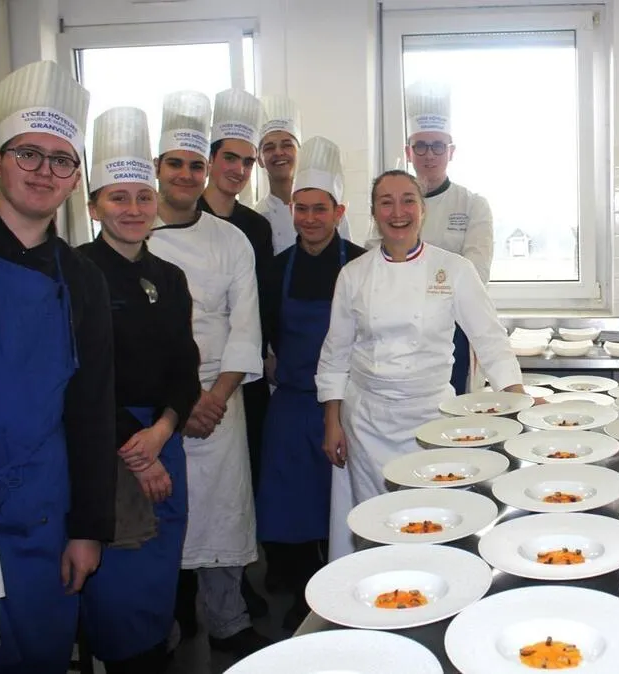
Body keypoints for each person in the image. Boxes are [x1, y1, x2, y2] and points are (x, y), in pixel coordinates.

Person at [0, 60, 117, 673]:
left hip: (42, 508)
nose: (44, 171)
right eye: (28, 154)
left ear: (74, 179)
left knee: (37, 653)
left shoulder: (83, 279)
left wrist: (87, 528)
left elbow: (92, 409)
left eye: (61, 160)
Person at [317, 169, 523, 559]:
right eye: (386, 202)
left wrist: (519, 401)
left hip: (432, 421)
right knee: (376, 522)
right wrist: (332, 421)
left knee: (431, 519)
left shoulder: (454, 270)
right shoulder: (353, 275)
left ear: (422, 210)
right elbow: (335, 353)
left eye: (408, 201)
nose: (398, 212)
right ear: (374, 213)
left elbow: (490, 340)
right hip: (368, 423)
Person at [77, 106, 201, 674]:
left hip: (162, 434)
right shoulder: (75, 272)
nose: (133, 209)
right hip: (105, 442)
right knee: (120, 565)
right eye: (118, 198)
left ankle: (153, 649)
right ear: (93, 206)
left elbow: (185, 364)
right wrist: (136, 447)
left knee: (162, 553)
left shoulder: (169, 278)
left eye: (142, 197)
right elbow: (82, 375)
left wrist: (163, 430)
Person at [147, 90, 270, 657]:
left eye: (195, 165)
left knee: (223, 513)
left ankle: (227, 622)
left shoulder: (232, 240)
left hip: (222, 396)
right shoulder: (134, 230)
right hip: (156, 404)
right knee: (158, 517)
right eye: (175, 163)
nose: (186, 174)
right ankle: (160, 628)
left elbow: (246, 326)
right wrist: (179, 401)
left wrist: (213, 396)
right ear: (157, 167)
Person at [257, 136, 365, 629]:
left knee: (339, 506)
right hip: (292, 404)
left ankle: (343, 592)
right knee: (292, 508)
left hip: (345, 405)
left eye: (320, 209)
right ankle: (305, 604)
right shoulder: (275, 270)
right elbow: (264, 333)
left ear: (338, 211)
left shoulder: (360, 266)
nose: (310, 218)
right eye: (301, 209)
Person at [196, 88, 273, 618]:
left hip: (243, 371)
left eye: (247, 161)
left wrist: (265, 352)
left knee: (239, 480)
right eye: (231, 158)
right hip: (187, 378)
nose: (239, 170)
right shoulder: (179, 215)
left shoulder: (256, 226)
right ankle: (187, 602)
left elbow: (257, 302)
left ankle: (236, 583)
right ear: (210, 160)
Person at [366, 80, 494, 394]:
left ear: (451, 151)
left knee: (452, 411)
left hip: (453, 330)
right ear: (408, 152)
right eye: (420, 146)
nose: (429, 155)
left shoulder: (473, 205)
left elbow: (474, 276)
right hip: (396, 330)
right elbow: (375, 267)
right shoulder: (391, 207)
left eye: (438, 146)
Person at [256, 96, 350, 253]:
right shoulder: (258, 216)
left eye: (287, 145)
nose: (278, 152)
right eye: (269, 147)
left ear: (300, 154)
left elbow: (348, 259)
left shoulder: (331, 212)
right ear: (259, 159)